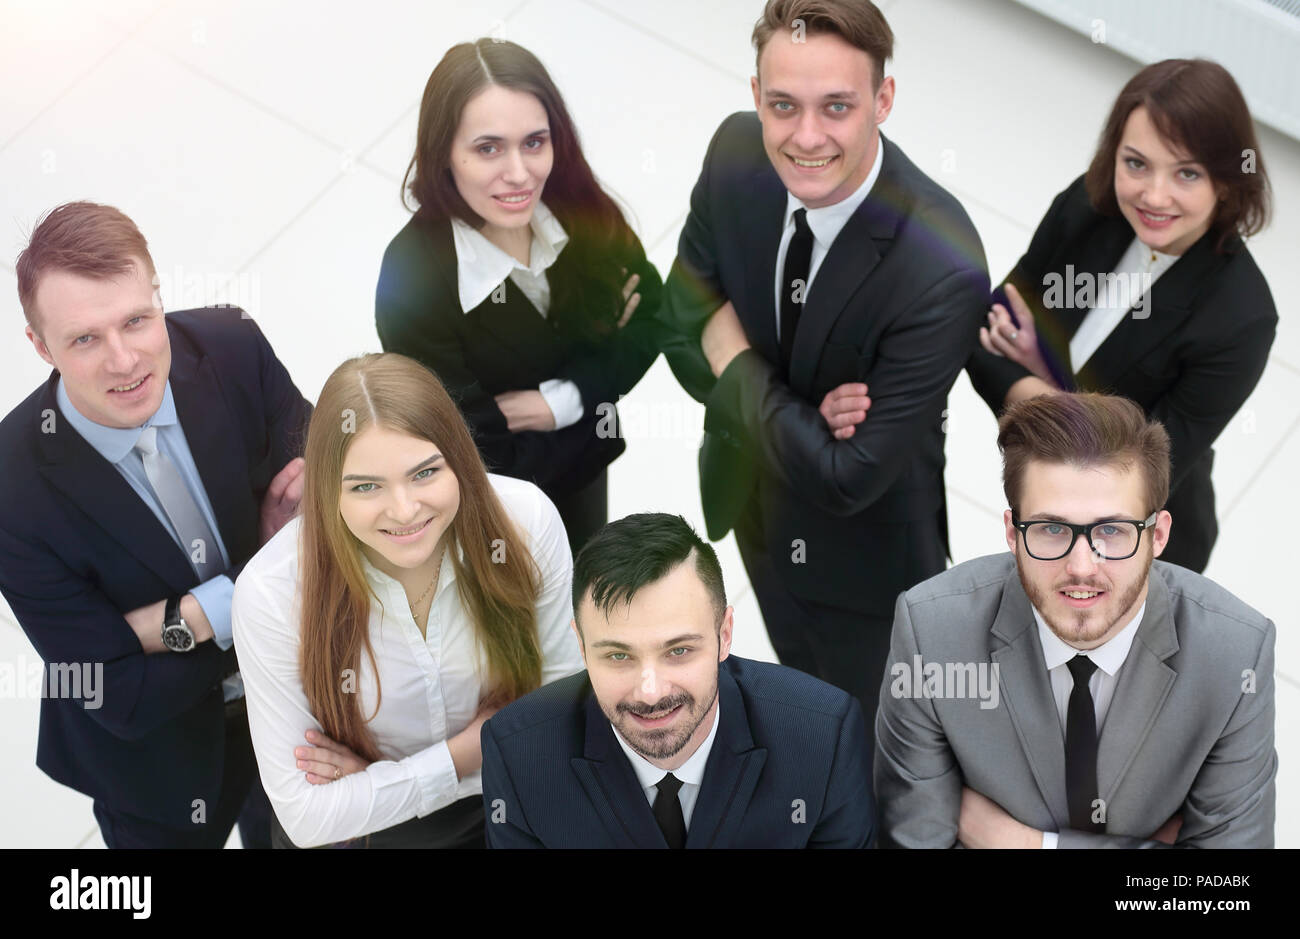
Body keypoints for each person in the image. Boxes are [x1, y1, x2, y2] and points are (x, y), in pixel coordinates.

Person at [655, 0, 989, 729]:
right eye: (784, 105)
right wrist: (803, 417)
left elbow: (848, 478)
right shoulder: (737, 153)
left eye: (837, 107)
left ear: (883, 100)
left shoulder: (941, 265)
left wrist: (735, 356)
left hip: (865, 574)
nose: (806, 138)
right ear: (755, 98)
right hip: (754, 510)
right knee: (796, 692)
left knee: (873, 743)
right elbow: (676, 323)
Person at [0, 201, 312, 848]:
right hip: (156, 768)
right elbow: (118, 691)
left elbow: (332, 504)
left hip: (292, 708)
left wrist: (170, 622)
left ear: (158, 296)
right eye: (85, 338)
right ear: (39, 345)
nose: (124, 360)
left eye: (137, 320)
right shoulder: (12, 489)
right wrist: (252, 584)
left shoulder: (232, 347)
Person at [874, 393, 1276, 848]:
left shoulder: (1236, 654)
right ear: (1012, 532)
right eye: (1051, 529)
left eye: (1111, 530)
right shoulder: (930, 633)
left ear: (1158, 535)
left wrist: (1028, 844)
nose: (1082, 567)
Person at [231, 352, 583, 848]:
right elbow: (307, 817)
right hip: (362, 838)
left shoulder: (525, 521)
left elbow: (561, 719)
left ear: (457, 457)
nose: (404, 510)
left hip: (499, 803)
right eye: (367, 486)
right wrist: (468, 752)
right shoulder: (271, 592)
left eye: (424, 473)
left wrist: (376, 779)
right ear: (329, 490)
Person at [966, 58, 1276, 573]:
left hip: (1138, 541)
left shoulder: (1243, 317)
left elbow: (1135, 475)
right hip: (1039, 504)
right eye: (1136, 163)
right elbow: (981, 337)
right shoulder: (1086, 207)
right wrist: (1084, 421)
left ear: (1226, 181)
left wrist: (1039, 386)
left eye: (1187, 173)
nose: (1154, 195)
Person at [376, 38, 664, 557]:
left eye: (534, 142)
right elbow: (476, 458)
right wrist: (598, 415)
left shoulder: (580, 206)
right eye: (488, 148)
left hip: (580, 496)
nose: (519, 174)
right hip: (491, 526)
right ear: (444, 153)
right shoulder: (412, 277)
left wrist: (561, 403)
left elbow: (653, 319)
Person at [480, 512, 874, 848]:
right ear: (582, 649)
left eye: (679, 651)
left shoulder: (823, 736)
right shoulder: (520, 754)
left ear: (724, 635)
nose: (650, 692)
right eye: (619, 656)